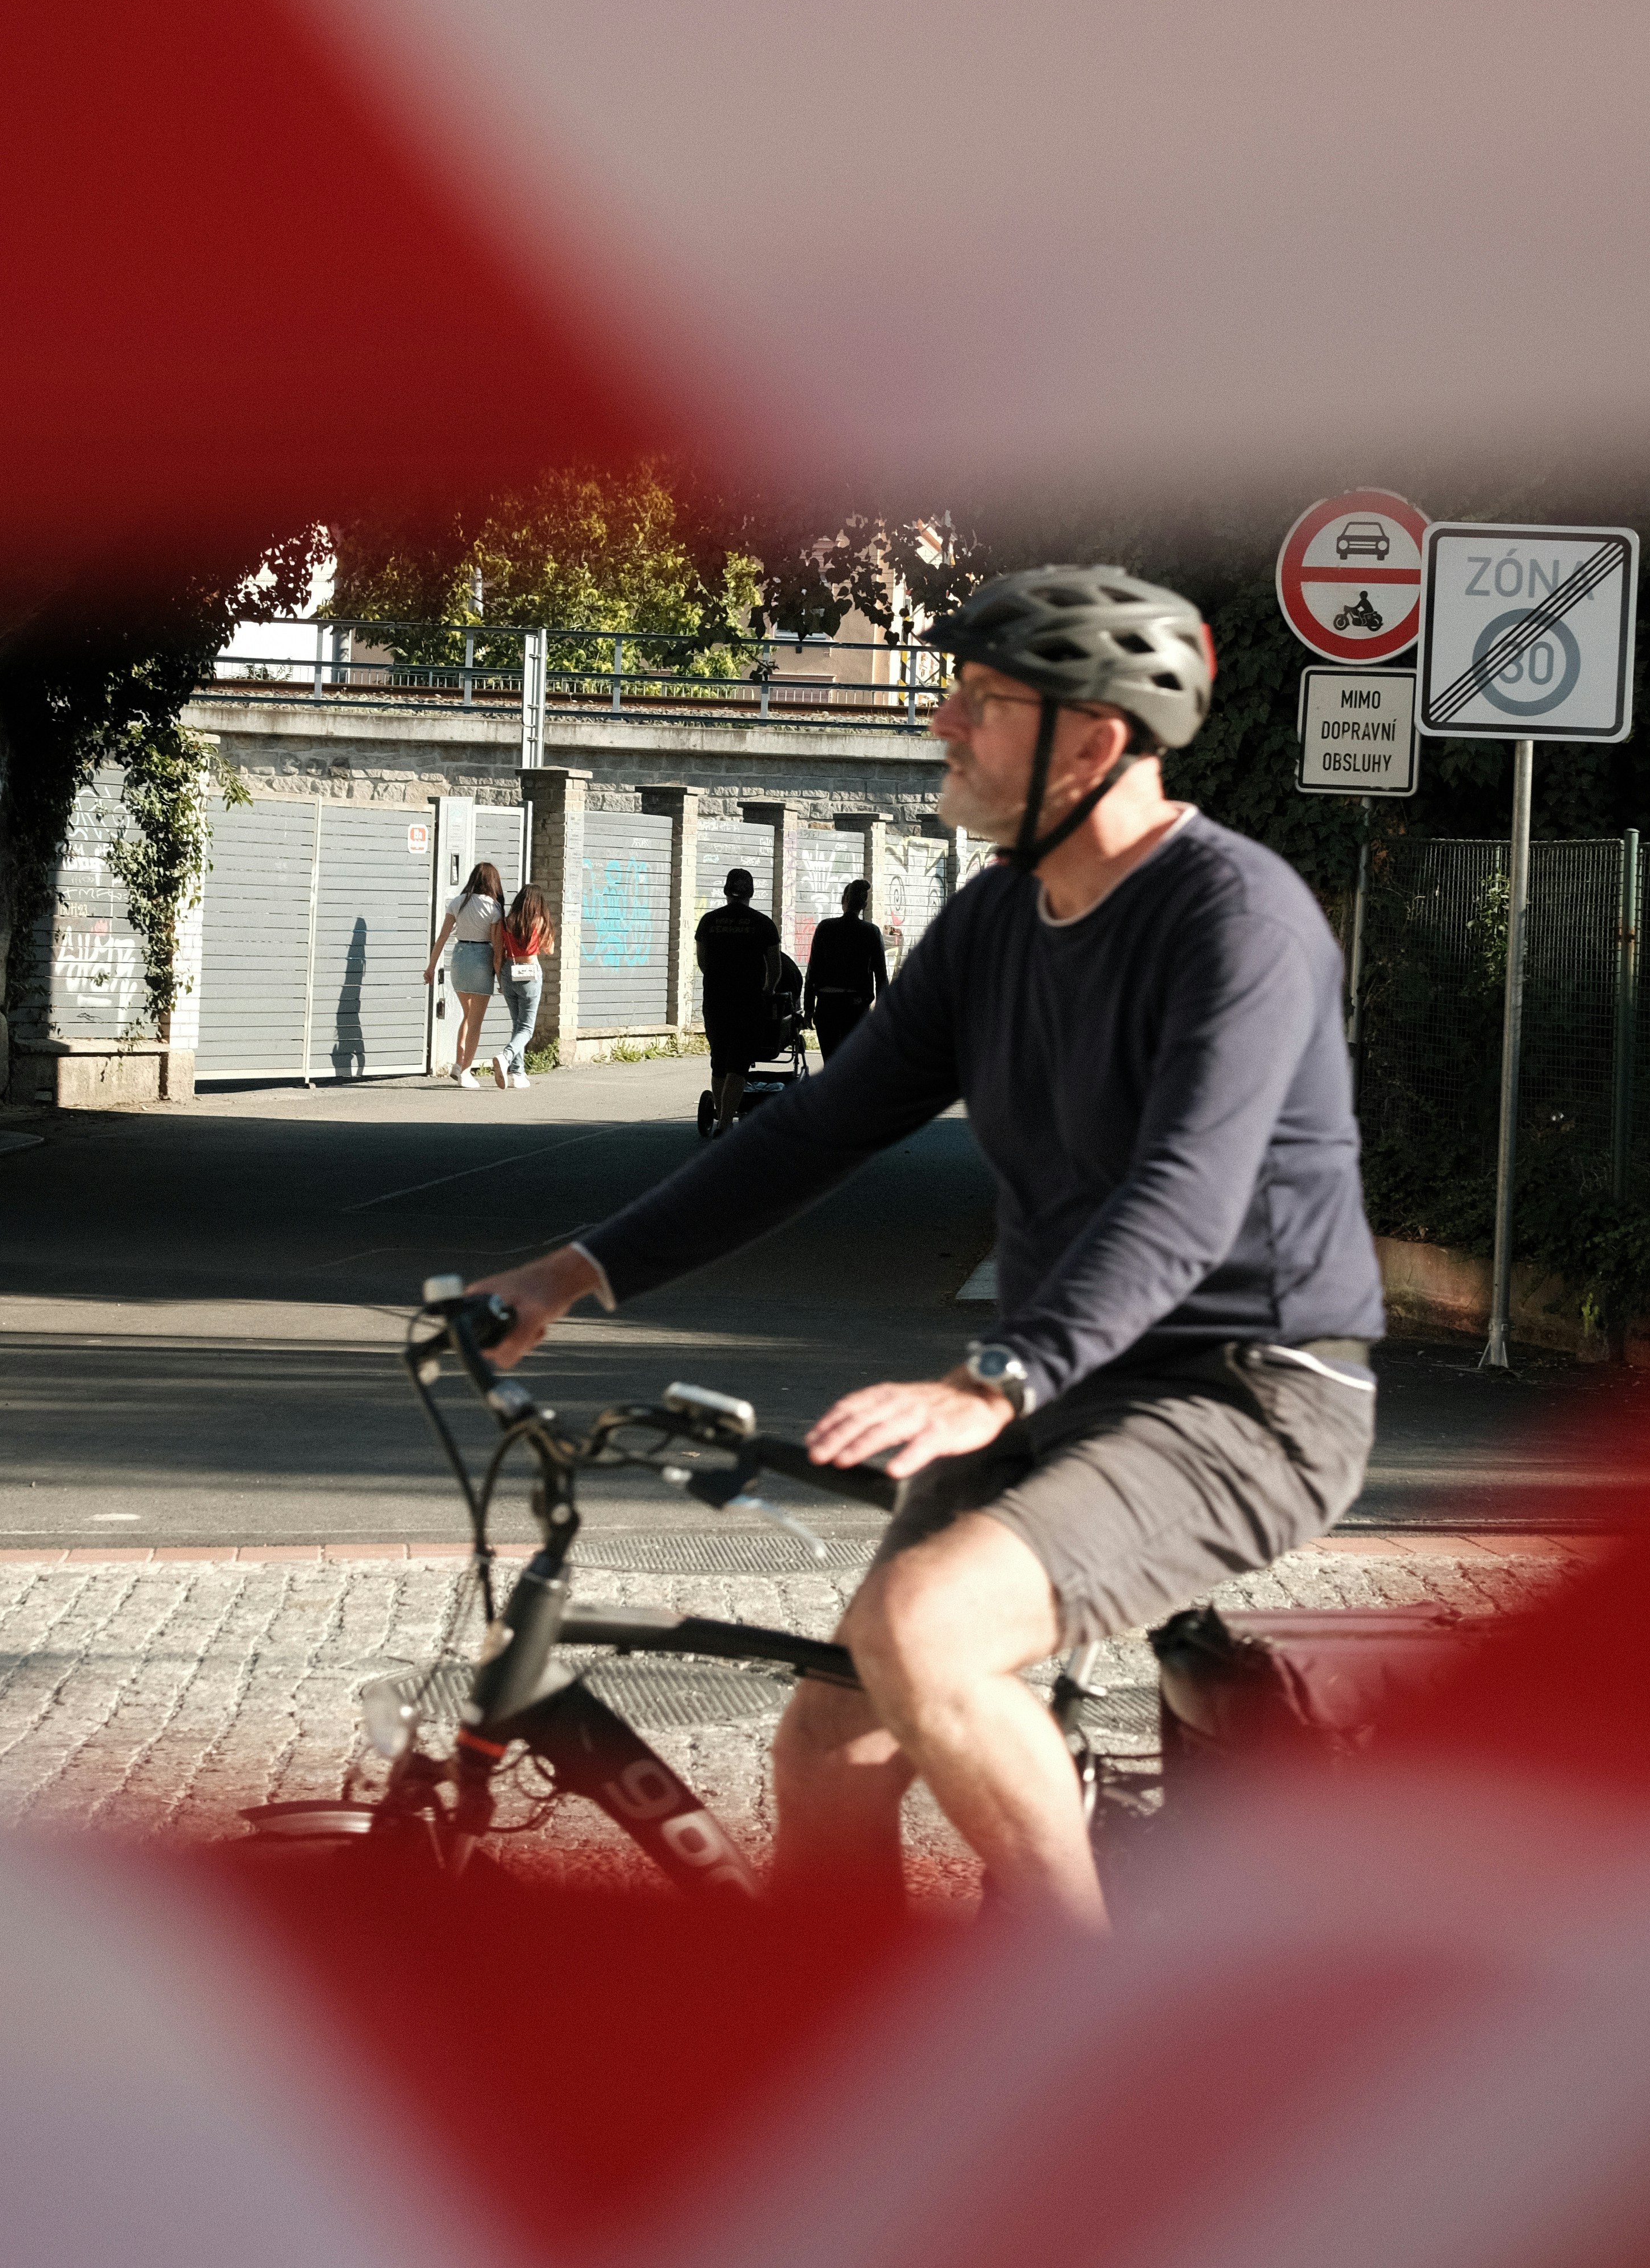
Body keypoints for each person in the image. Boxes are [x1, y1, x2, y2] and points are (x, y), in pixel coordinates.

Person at [465, 566, 1382, 1929]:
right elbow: (820, 1126)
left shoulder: (1231, 920)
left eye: (981, 701)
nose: (943, 723)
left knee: (920, 1635)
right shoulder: (1000, 918)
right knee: (829, 1747)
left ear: (1090, 742)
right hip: (1064, 1378)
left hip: (1245, 1394)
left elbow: (1184, 1196)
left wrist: (995, 1377)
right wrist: (576, 1268)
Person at [694, 862, 782, 1133]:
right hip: (748, 1001)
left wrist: (720, 980)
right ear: (751, 894)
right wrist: (767, 990)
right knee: (739, 1062)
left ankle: (723, 1116)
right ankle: (724, 1122)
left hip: (716, 1000)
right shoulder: (763, 924)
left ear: (726, 891)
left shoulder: (709, 921)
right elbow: (775, 968)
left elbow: (702, 962)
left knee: (719, 1058)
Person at [428, 857, 507, 1088]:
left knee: (467, 1014)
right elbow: (497, 948)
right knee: (476, 1021)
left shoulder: (458, 902)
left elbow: (442, 936)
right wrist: (500, 978)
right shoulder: (494, 907)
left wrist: (431, 967)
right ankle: (466, 1071)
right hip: (482, 957)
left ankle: (458, 1063)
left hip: (460, 956)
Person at [804, 876, 889, 1064]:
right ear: (864, 905)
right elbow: (881, 976)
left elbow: (813, 971)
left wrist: (809, 1008)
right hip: (857, 1007)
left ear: (843, 900)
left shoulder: (825, 928)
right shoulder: (871, 932)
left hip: (828, 1006)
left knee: (831, 1063)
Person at [493, 883, 554, 1089]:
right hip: (529, 971)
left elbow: (498, 955)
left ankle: (518, 1074)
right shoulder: (540, 921)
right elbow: (550, 949)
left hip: (509, 971)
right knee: (527, 1028)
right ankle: (505, 1057)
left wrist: (501, 981)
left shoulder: (507, 921)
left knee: (517, 1025)